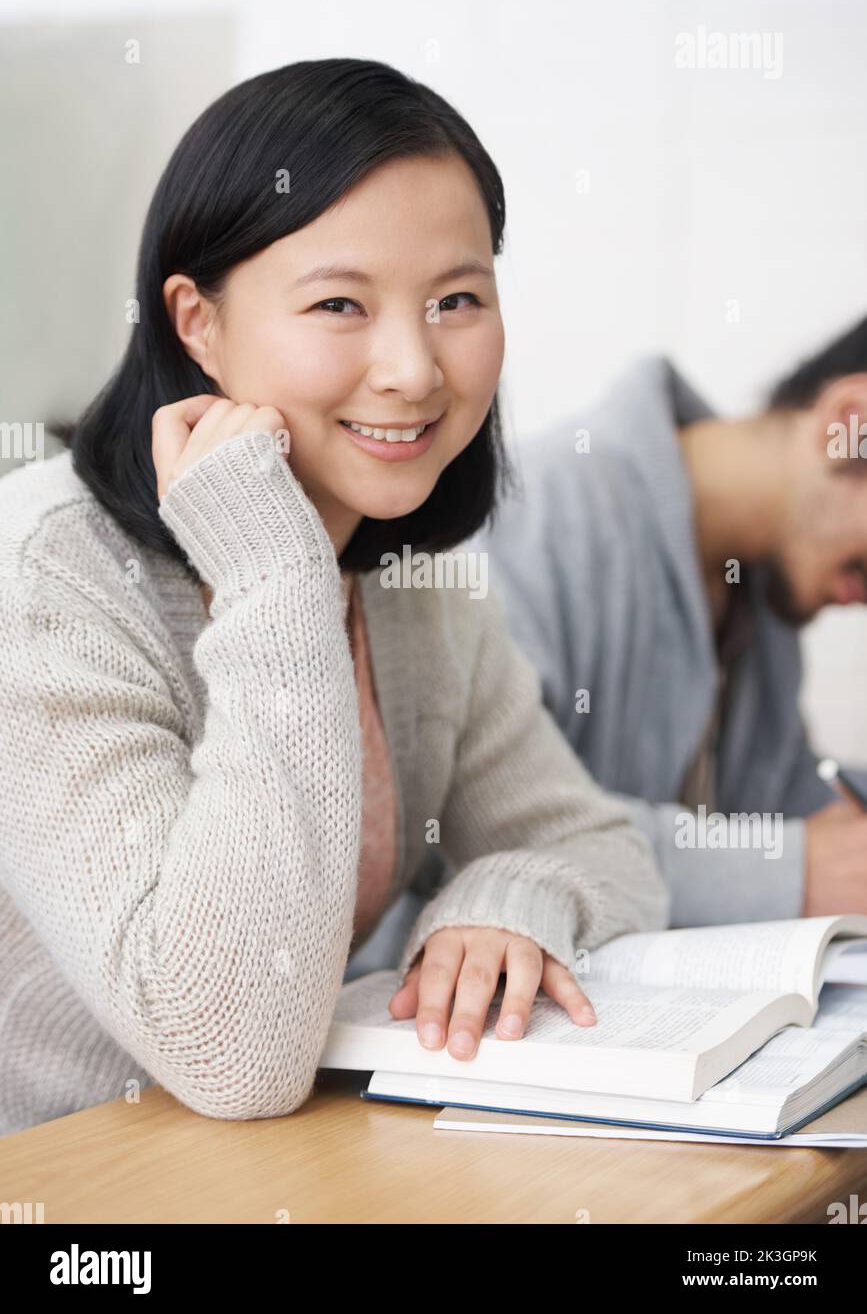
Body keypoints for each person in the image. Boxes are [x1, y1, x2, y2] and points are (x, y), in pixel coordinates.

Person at [0, 58, 666, 1136]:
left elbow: (599, 851)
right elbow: (233, 1052)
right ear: (196, 322)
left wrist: (504, 904)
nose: (412, 367)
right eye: (339, 304)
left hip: (245, 1174)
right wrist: (273, 575)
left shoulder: (410, 578)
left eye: (457, 299)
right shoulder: (45, 579)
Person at [477, 333, 867, 928]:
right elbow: (486, 830)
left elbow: (786, 806)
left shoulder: (764, 591)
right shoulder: (541, 514)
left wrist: (827, 826)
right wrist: (795, 871)